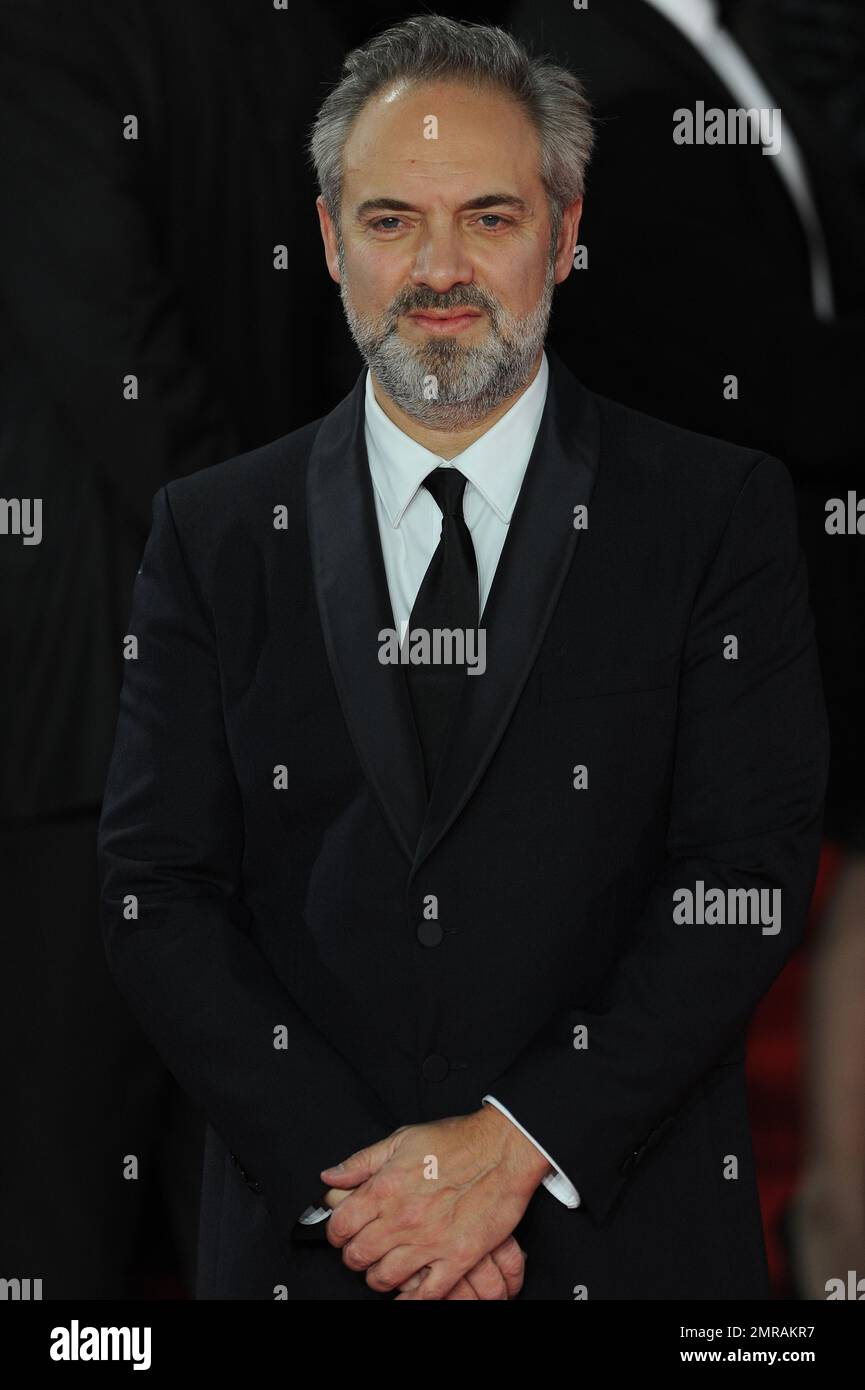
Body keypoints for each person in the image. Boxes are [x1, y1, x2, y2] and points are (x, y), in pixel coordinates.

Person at [97, 14, 829, 1300]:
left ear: (565, 232)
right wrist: (367, 1191)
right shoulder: (211, 533)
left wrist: (513, 1150)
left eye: (488, 217)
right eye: (390, 222)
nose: (439, 269)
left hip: (623, 1232)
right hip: (319, 1242)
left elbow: (743, 875)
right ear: (329, 241)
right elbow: (159, 887)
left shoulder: (714, 515)